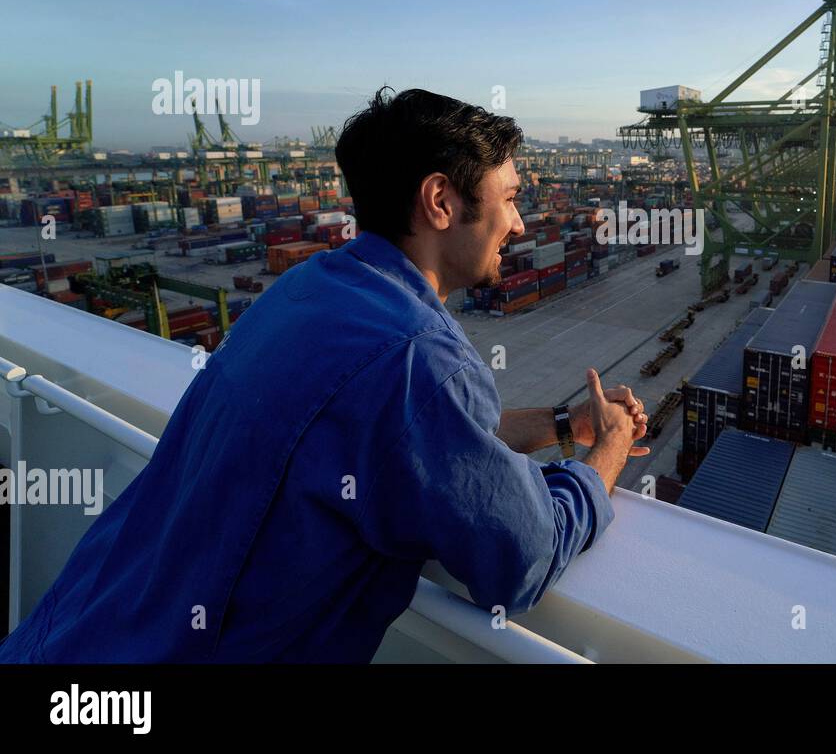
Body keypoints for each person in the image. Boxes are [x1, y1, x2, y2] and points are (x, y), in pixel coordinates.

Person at [0, 87, 647, 663]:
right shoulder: (419, 356)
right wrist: (609, 444)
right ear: (441, 200)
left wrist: (563, 425)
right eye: (508, 198)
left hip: (64, 637)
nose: (519, 222)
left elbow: (399, 439)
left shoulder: (308, 288)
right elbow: (523, 556)